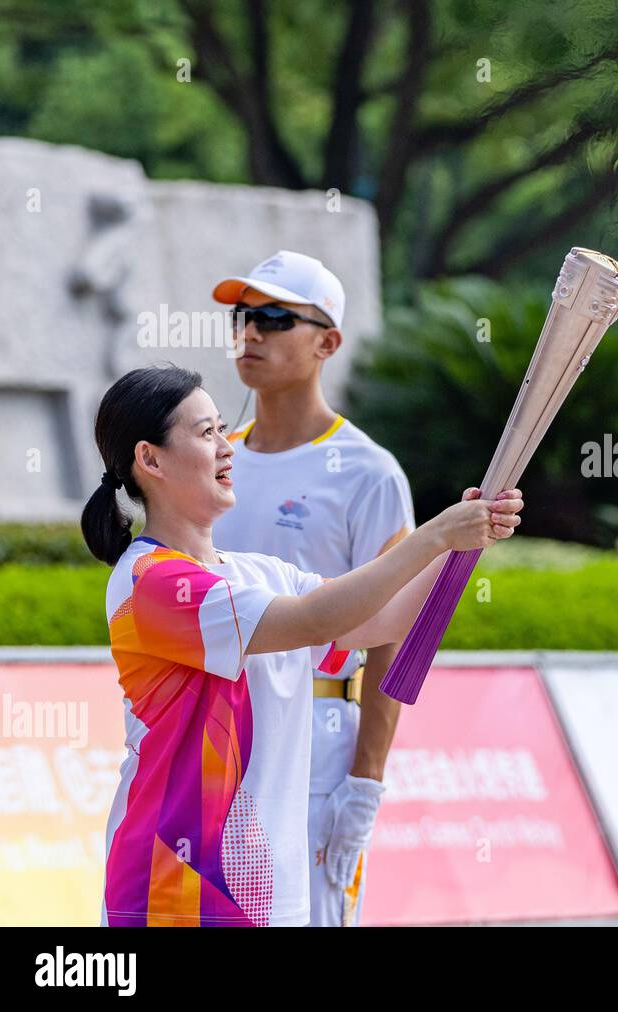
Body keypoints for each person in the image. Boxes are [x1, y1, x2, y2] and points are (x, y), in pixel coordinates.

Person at [81, 364, 523, 926]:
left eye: (222, 429)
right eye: (206, 433)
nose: (226, 448)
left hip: (267, 891)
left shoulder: (258, 573)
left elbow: (382, 619)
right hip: (176, 892)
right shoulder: (151, 581)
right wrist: (437, 534)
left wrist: (469, 540)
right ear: (150, 459)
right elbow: (316, 620)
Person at [210, 250, 419, 926]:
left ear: (328, 341)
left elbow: (398, 636)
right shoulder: (210, 463)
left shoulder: (368, 473)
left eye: (275, 318)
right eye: (245, 317)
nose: (252, 333)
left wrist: (364, 783)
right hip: (217, 735)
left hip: (317, 736)